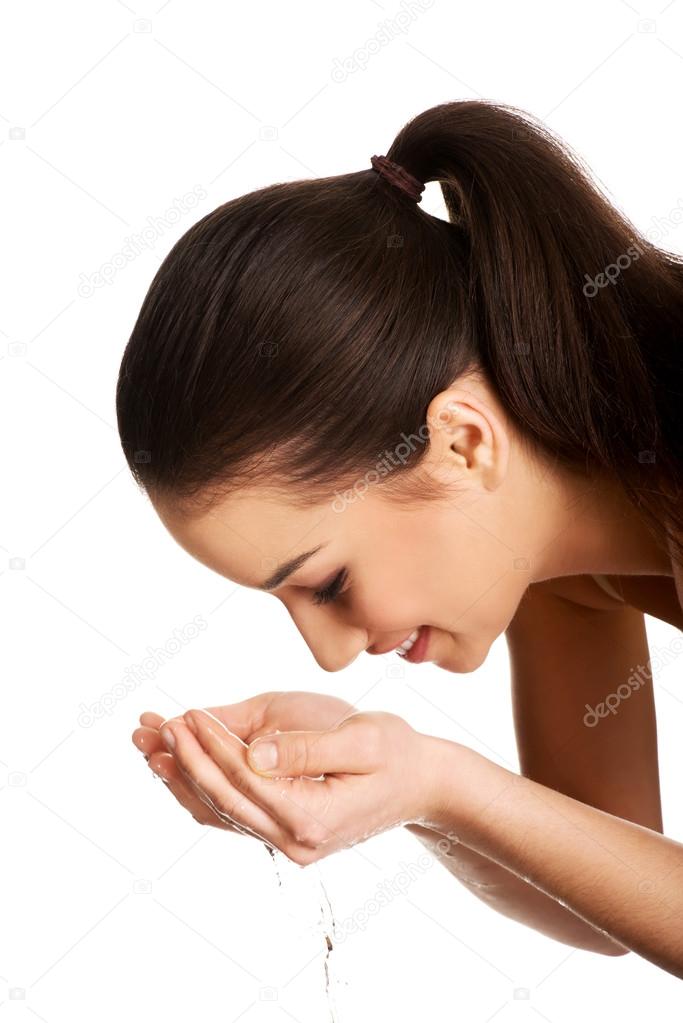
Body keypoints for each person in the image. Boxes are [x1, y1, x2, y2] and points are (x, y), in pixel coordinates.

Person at [119, 99, 683, 977]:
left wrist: (444, 781)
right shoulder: (556, 573)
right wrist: (403, 784)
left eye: (328, 580)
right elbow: (618, 899)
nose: (330, 656)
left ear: (461, 441)